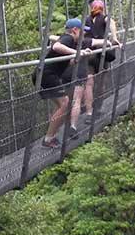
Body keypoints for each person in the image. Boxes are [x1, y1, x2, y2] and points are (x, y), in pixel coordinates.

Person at [39, 19, 104, 148]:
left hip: (46, 74)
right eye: (82, 31)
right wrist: (77, 52)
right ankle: (48, 139)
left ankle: (50, 136)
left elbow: (66, 62)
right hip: (47, 74)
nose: (84, 34)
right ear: (75, 30)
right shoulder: (67, 38)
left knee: (63, 104)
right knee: (64, 103)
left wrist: (77, 58)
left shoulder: (71, 41)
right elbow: (56, 46)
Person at [79, 0, 120, 125]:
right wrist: (114, 38)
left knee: (89, 84)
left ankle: (89, 113)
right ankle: (97, 108)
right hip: (101, 55)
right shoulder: (104, 18)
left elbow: (81, 35)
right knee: (101, 83)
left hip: (89, 54)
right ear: (102, 8)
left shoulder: (86, 20)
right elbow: (111, 22)